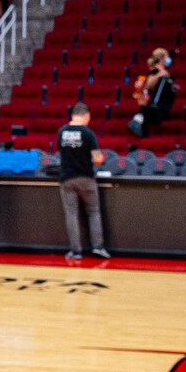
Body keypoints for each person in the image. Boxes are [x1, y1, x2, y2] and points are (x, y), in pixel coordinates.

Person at [57, 101, 109, 260]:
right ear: (86, 115)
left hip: (67, 179)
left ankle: (75, 251)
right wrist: (101, 158)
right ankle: (98, 248)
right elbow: (97, 159)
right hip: (86, 178)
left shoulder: (62, 132)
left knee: (71, 214)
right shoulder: (88, 133)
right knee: (93, 212)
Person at [129, 48, 176, 138]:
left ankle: (139, 120)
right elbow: (147, 86)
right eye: (166, 57)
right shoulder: (155, 71)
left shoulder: (165, 72)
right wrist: (159, 75)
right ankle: (137, 120)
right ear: (162, 59)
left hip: (163, 104)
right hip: (153, 103)